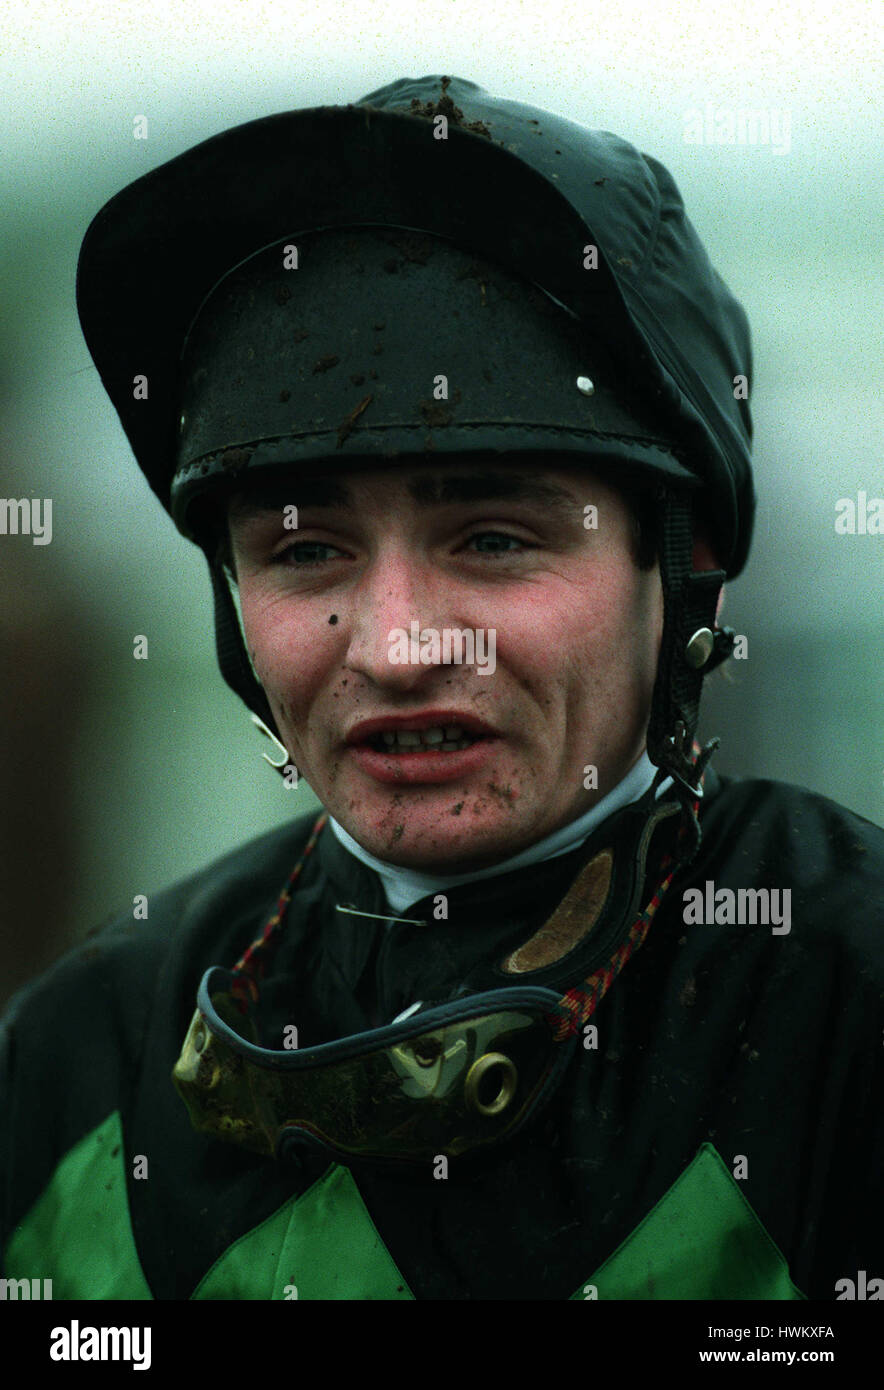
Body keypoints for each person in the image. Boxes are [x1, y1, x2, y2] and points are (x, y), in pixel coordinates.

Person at [1, 74, 881, 1303]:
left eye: (494, 540)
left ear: (686, 566)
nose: (399, 646)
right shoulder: (80, 1052)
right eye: (307, 552)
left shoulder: (845, 1006)